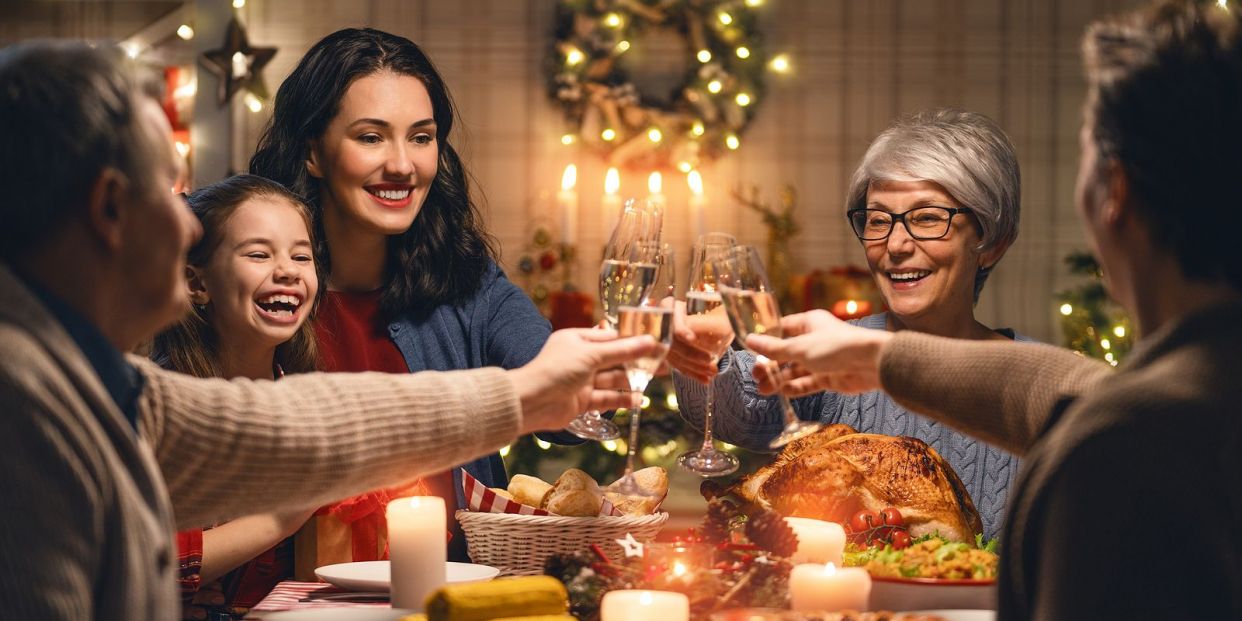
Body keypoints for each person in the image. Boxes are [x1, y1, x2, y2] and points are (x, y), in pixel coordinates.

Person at [0, 40, 654, 620]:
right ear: (110, 209)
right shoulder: (22, 400)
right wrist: (520, 395)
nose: (189, 224)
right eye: (165, 190)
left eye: (421, 136)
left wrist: (541, 387)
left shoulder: (85, 378)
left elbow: (294, 423)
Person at [744, 1, 1242, 618]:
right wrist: (879, 356)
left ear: (1116, 194)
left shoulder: (1125, 449)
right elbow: (1077, 394)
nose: (898, 241)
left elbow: (1107, 416)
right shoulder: (1191, 390)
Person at [248, 27, 564, 564]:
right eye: (371, 137)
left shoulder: (470, 284)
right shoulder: (252, 283)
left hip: (444, 602)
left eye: (421, 137)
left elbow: (562, 408)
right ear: (312, 154)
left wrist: (624, 360)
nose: (402, 165)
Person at [670, 109, 1027, 539]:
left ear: (991, 244)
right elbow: (730, 406)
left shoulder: (1039, 386)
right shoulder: (840, 346)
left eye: (928, 218)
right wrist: (700, 350)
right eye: (878, 220)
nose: (895, 245)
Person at [148, 175, 324, 618]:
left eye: (302, 255)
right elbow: (139, 559)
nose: (287, 269)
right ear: (197, 283)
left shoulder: (310, 409)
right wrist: (282, 518)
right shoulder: (161, 410)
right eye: (259, 254)